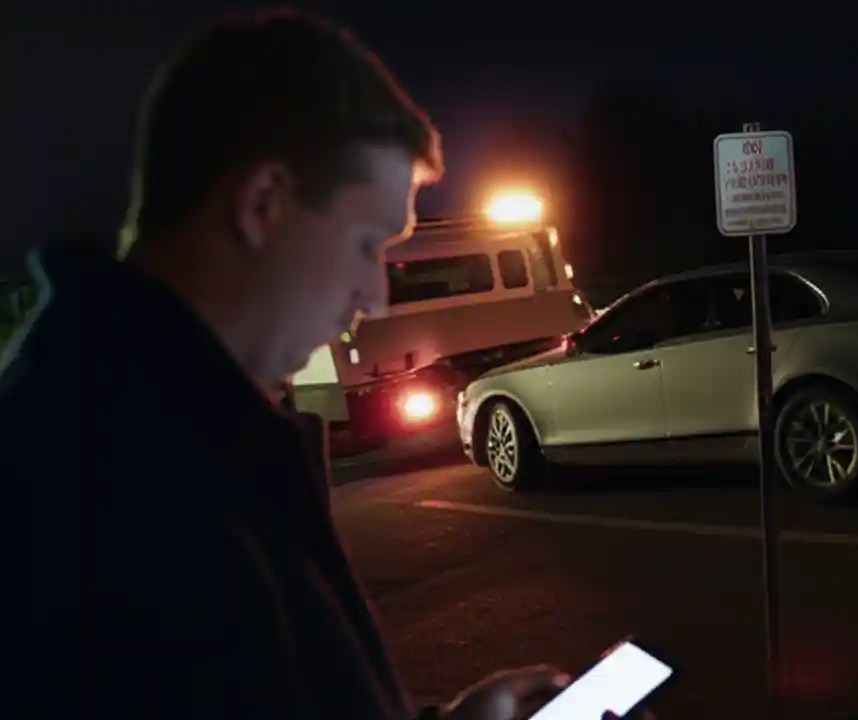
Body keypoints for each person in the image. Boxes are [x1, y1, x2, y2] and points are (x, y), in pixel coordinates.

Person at [10, 10, 570, 719]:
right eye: (369, 242)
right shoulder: (106, 493)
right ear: (263, 204)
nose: (373, 292)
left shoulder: (147, 424)